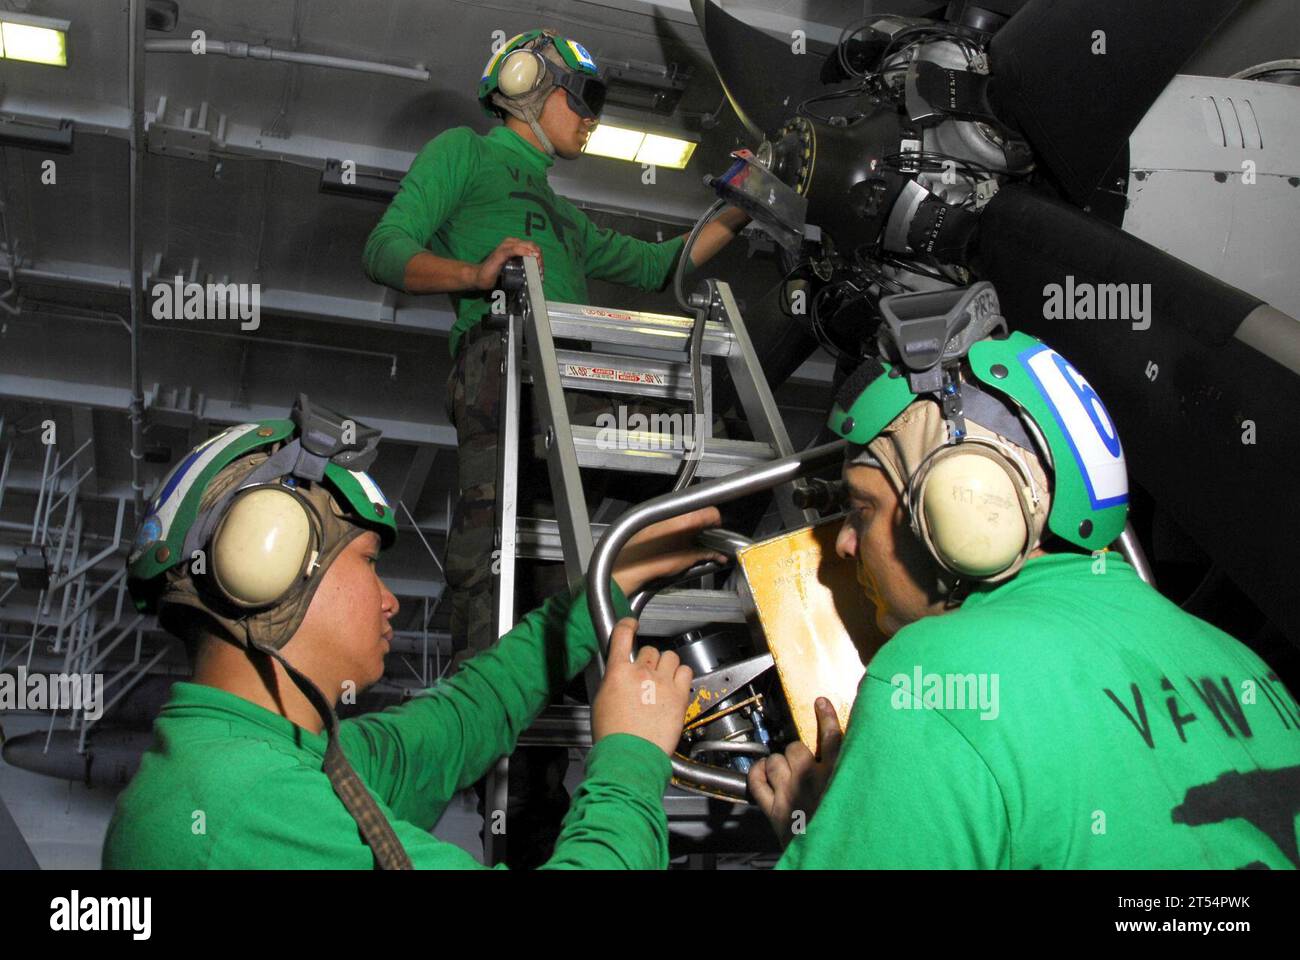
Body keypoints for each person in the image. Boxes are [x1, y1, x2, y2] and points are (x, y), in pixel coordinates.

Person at [361, 28, 748, 864]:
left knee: (601, 552)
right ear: (529, 84)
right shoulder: (464, 153)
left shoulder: (565, 219)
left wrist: (746, 202)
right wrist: (477, 273)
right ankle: (512, 771)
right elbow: (385, 249)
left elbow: (658, 266)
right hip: (504, 364)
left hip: (578, 381)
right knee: (504, 561)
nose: (596, 122)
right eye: (588, 100)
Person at [750, 286, 1300, 869]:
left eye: (861, 510)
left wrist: (819, 828)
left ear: (964, 505)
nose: (844, 542)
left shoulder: (931, 677)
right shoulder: (1246, 665)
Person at [103, 396, 722, 869]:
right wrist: (630, 760)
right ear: (271, 562)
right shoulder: (244, 807)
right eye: (370, 561)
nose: (391, 600)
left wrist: (613, 576)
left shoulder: (271, 758)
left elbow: (463, 719)